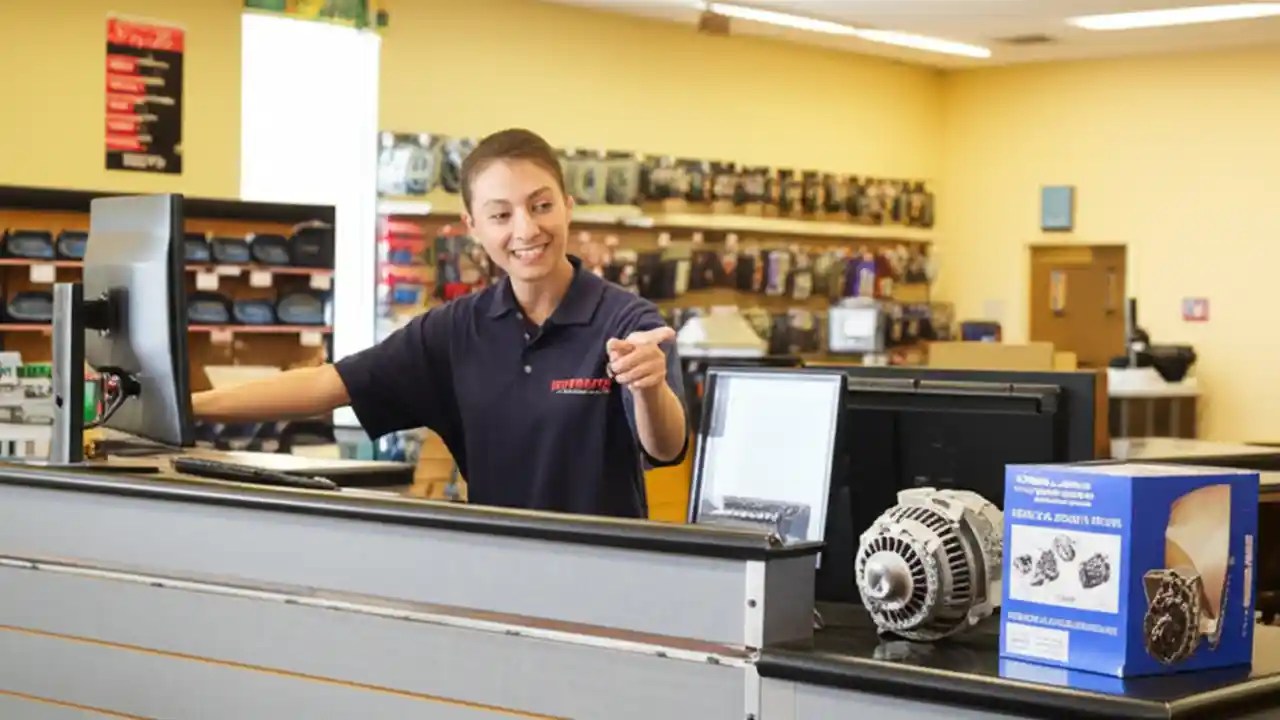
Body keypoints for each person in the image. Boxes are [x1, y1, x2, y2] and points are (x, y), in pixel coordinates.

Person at [193, 128, 690, 519]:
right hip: (494, 573)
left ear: (568, 206)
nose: (526, 229)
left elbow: (666, 448)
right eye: (500, 215)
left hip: (605, 579)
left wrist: (648, 388)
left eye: (541, 206)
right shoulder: (457, 330)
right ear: (473, 227)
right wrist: (188, 407)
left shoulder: (627, 321)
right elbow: (330, 384)